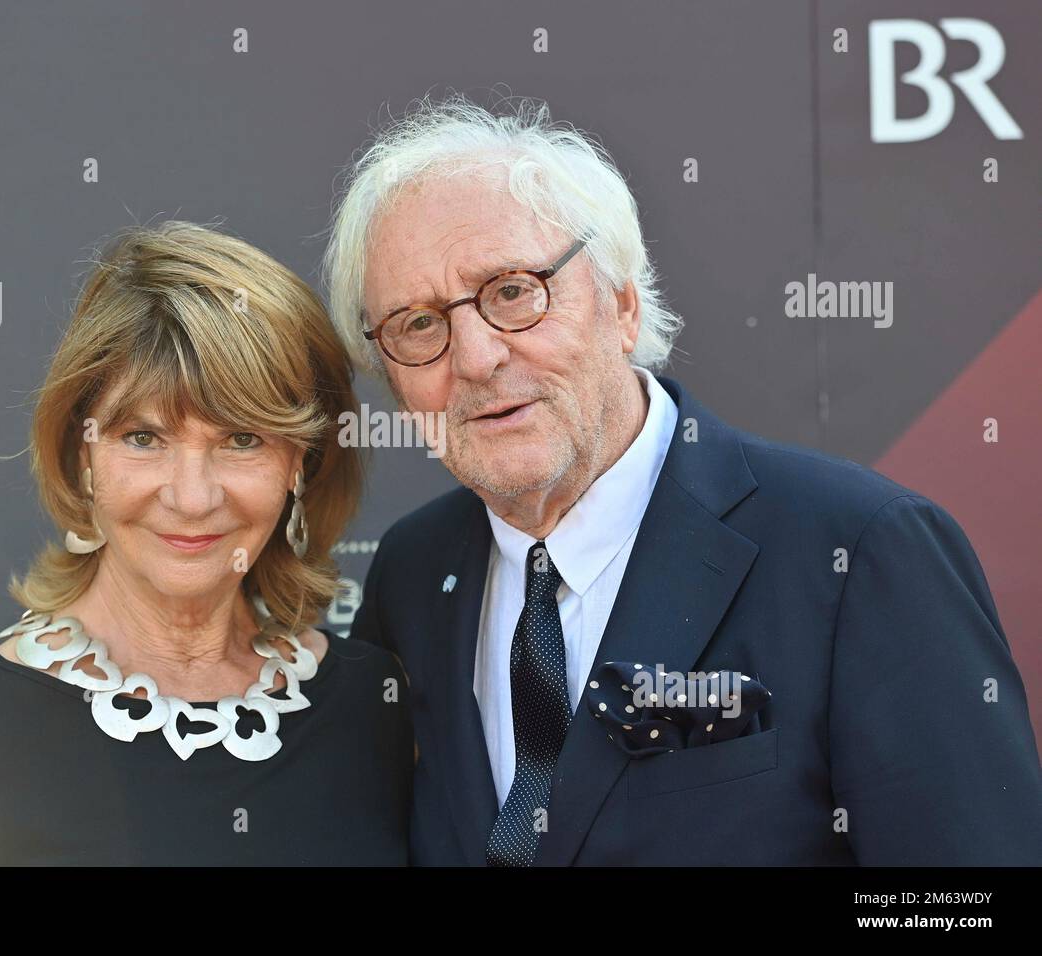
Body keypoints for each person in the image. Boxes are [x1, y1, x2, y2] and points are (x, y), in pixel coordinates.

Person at [321, 94, 1042, 866]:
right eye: (419, 324)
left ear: (622, 307)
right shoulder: (414, 573)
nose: (475, 357)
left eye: (512, 292)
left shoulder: (859, 552)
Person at [0, 221, 412, 865]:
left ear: (301, 463)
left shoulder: (376, 704)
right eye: (144, 438)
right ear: (83, 453)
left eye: (242, 440)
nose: (191, 497)